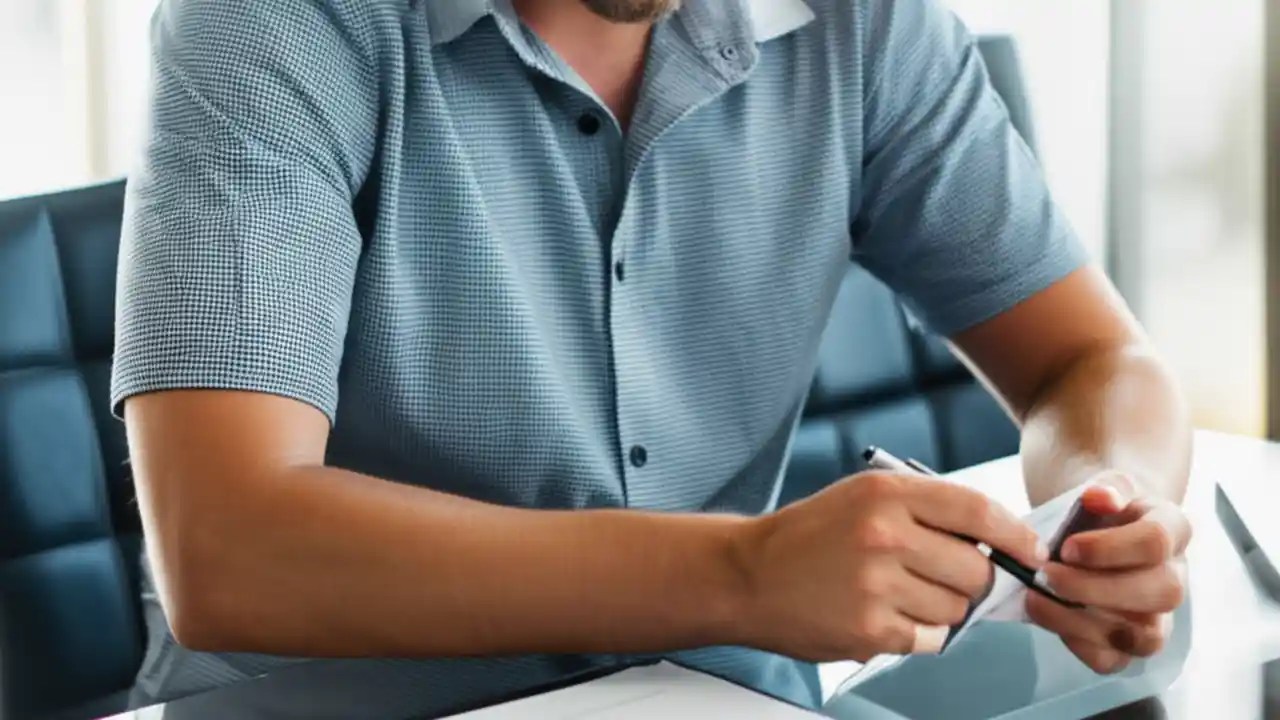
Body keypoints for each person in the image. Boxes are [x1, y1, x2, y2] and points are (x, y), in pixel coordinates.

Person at [112, 0, 1193, 713]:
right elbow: (229, 550)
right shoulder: (268, 22)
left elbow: (1089, 361)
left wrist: (1112, 510)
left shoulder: (866, 23)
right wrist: (737, 573)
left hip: (717, 696)